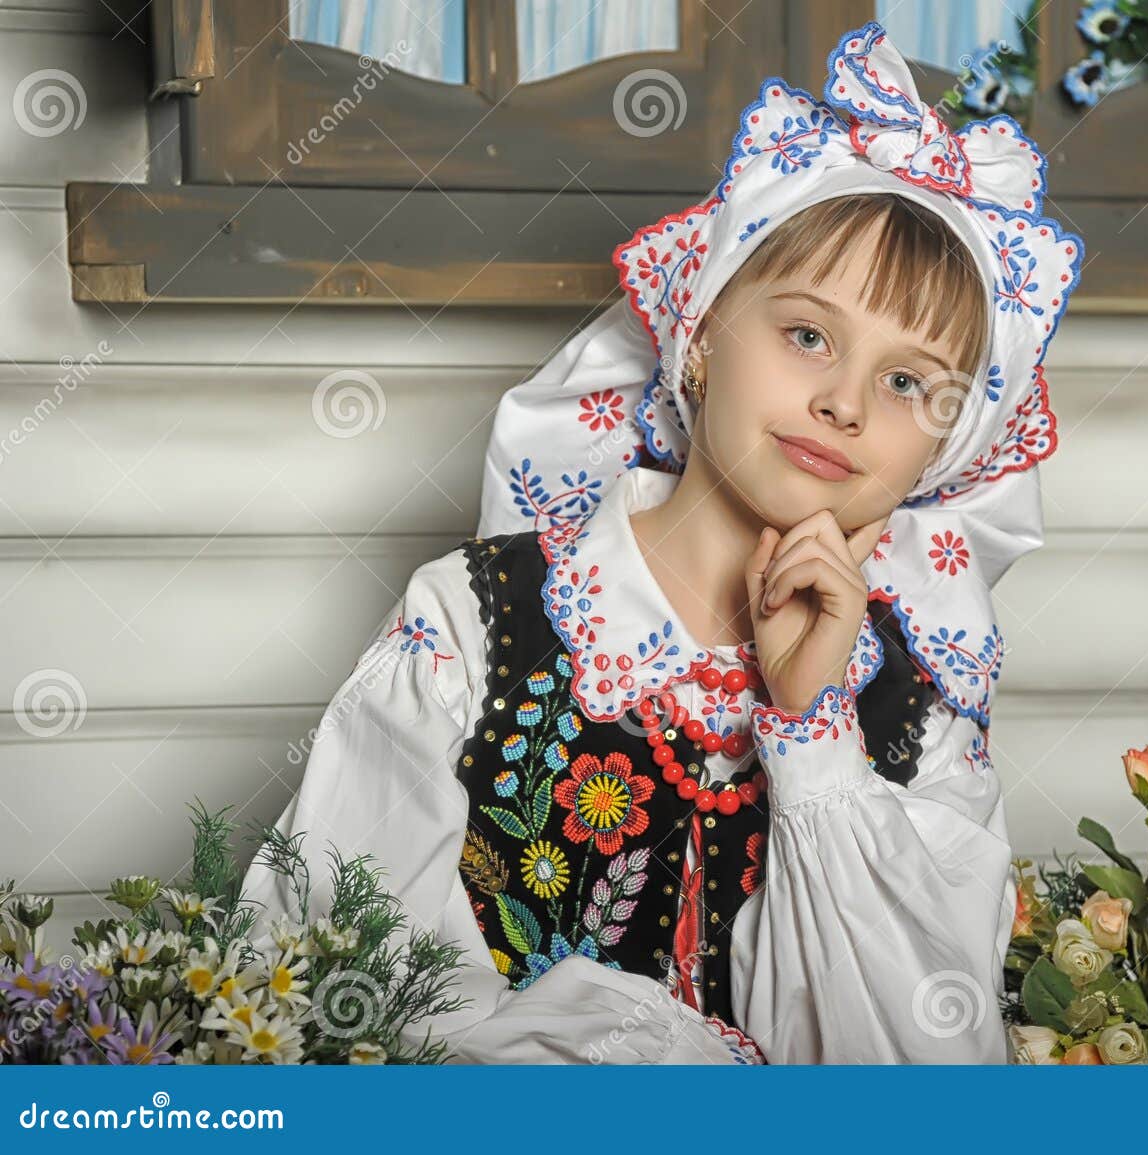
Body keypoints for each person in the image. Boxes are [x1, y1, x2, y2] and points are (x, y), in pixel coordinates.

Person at [238, 19, 1082, 1064]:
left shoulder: (918, 724)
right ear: (699, 337)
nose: (845, 404)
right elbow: (336, 992)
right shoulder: (473, 623)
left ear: (946, 448)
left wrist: (813, 733)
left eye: (907, 381)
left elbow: (923, 1076)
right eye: (807, 334)